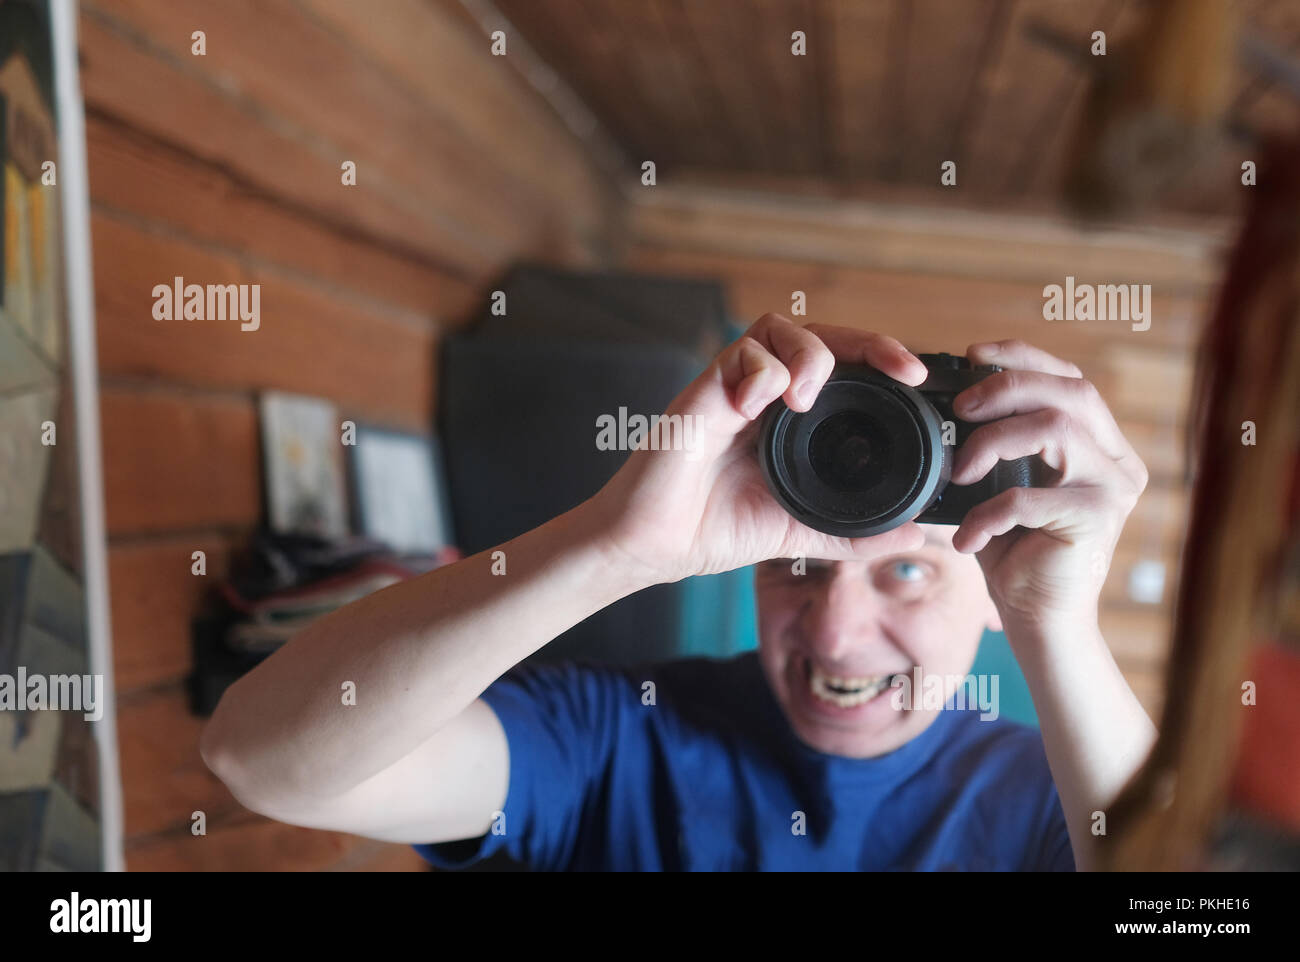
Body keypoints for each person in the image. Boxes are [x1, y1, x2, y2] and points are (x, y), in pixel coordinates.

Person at [200, 314, 1157, 871]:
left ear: (991, 590)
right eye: (799, 568)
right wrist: (616, 548)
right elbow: (261, 759)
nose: (836, 634)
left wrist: (1058, 623)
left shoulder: (1050, 801)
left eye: (905, 570)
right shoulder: (623, 737)